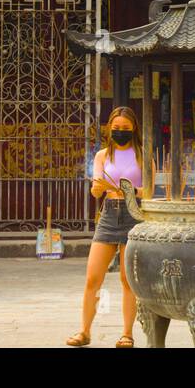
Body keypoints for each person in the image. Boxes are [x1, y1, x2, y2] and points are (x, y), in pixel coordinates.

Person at [67, 106, 148, 348]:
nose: (120, 132)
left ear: (133, 128)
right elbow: (95, 189)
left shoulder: (143, 155)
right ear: (109, 129)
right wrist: (99, 187)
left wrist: (131, 191)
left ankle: (127, 333)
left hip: (134, 213)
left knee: (127, 280)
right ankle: (84, 331)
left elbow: (152, 191)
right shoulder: (103, 155)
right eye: (116, 129)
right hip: (109, 215)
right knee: (93, 276)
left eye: (125, 128)